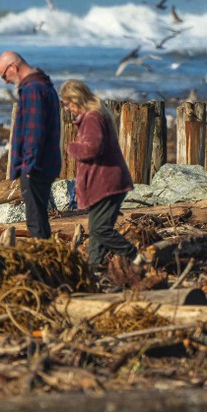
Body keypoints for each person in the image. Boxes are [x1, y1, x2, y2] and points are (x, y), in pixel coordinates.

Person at [59, 78, 138, 275]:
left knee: (101, 230)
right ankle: (93, 270)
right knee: (96, 232)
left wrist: (71, 147)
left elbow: (92, 149)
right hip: (105, 184)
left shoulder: (92, 118)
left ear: (76, 100)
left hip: (107, 184)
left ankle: (135, 256)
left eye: (68, 104)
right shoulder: (95, 115)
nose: (67, 109)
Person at [0, 50, 61, 240]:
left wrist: (28, 167)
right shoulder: (42, 85)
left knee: (35, 222)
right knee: (38, 218)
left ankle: (43, 263)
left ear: (13, 67)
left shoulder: (33, 89)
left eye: (4, 75)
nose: (5, 81)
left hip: (36, 167)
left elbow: (34, 133)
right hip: (43, 164)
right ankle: (46, 257)